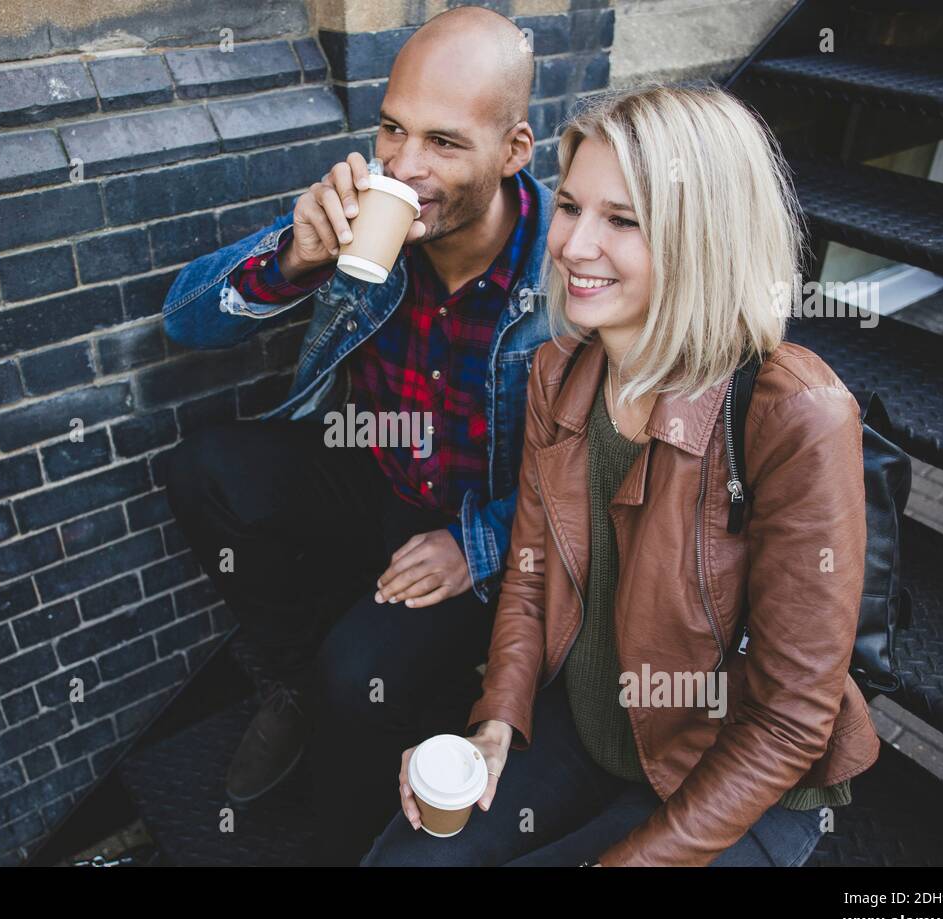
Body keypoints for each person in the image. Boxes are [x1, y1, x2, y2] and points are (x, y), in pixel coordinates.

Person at [362, 83, 881, 866]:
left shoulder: (797, 415)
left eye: (624, 221)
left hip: (728, 776)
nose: (571, 246)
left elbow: (786, 723)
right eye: (569, 207)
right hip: (590, 723)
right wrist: (495, 722)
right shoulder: (557, 373)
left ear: (704, 238)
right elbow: (530, 579)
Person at [161, 6, 554, 864]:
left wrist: (479, 543)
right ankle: (297, 685)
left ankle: (349, 808)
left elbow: (606, 467)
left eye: (444, 144)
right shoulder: (367, 216)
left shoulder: (565, 267)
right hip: (369, 469)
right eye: (392, 130)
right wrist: (294, 260)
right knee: (206, 471)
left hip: (475, 520)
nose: (406, 168)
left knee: (359, 681)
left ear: (515, 150)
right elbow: (185, 320)